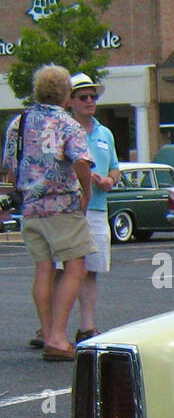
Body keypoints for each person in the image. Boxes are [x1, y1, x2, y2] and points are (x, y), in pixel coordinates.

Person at [1, 64, 94, 361]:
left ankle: (47, 332)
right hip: (62, 204)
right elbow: (81, 161)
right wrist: (85, 194)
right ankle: (58, 338)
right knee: (75, 268)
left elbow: (10, 168)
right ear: (66, 94)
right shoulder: (68, 124)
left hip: (31, 207)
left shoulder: (19, 122)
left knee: (43, 269)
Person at [60, 72, 119, 344]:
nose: (90, 101)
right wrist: (83, 176)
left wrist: (109, 180)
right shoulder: (63, 130)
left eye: (93, 96)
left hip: (97, 207)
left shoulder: (105, 132)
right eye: (83, 97)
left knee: (91, 269)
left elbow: (115, 168)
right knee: (63, 269)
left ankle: (87, 326)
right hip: (69, 209)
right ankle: (51, 329)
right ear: (70, 101)